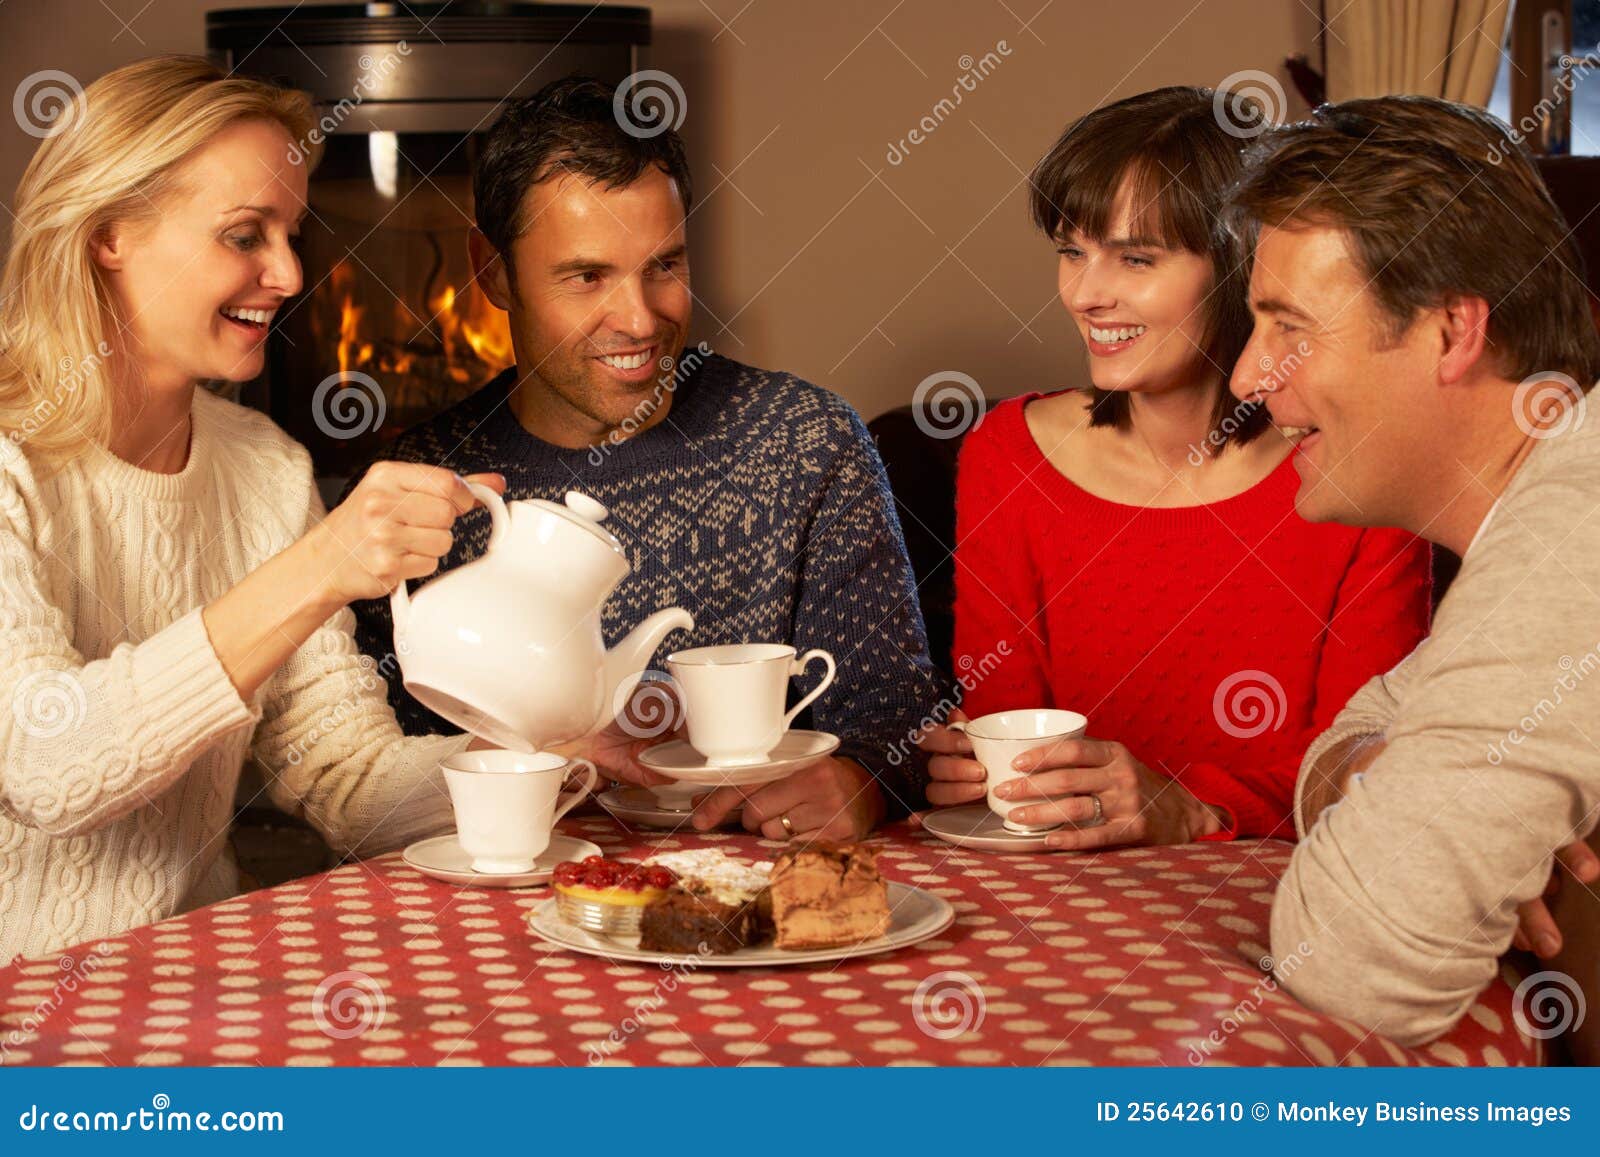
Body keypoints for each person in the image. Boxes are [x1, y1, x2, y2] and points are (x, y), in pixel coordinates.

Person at [0, 57, 506, 966]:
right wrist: (319, 567)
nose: (286, 272)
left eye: (290, 231)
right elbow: (45, 766)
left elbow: (342, 773)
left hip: (195, 981)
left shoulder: (265, 468)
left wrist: (549, 752)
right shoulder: (11, 465)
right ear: (110, 231)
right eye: (244, 234)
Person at [347, 76, 944, 842]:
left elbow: (895, 719)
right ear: (492, 272)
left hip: (743, 895)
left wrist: (861, 780)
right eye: (587, 276)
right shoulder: (427, 484)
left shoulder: (806, 439)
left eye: (663, 265)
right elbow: (372, 781)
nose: (639, 319)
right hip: (494, 915)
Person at [918, 87, 1432, 850]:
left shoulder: (1362, 477)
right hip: (1055, 902)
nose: (1086, 294)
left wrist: (1187, 807)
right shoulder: (1006, 454)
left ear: (1240, 268)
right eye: (1071, 250)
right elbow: (1019, 759)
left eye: (1135, 258)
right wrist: (971, 767)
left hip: (1287, 914)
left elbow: (1369, 776)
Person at [1229, 95, 1600, 1053]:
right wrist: (1395, 781)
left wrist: (1430, 820)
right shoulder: (1543, 504)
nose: (1246, 377)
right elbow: (1349, 739)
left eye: (1289, 327)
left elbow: (1350, 957)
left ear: (1451, 332)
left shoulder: (1573, 533)